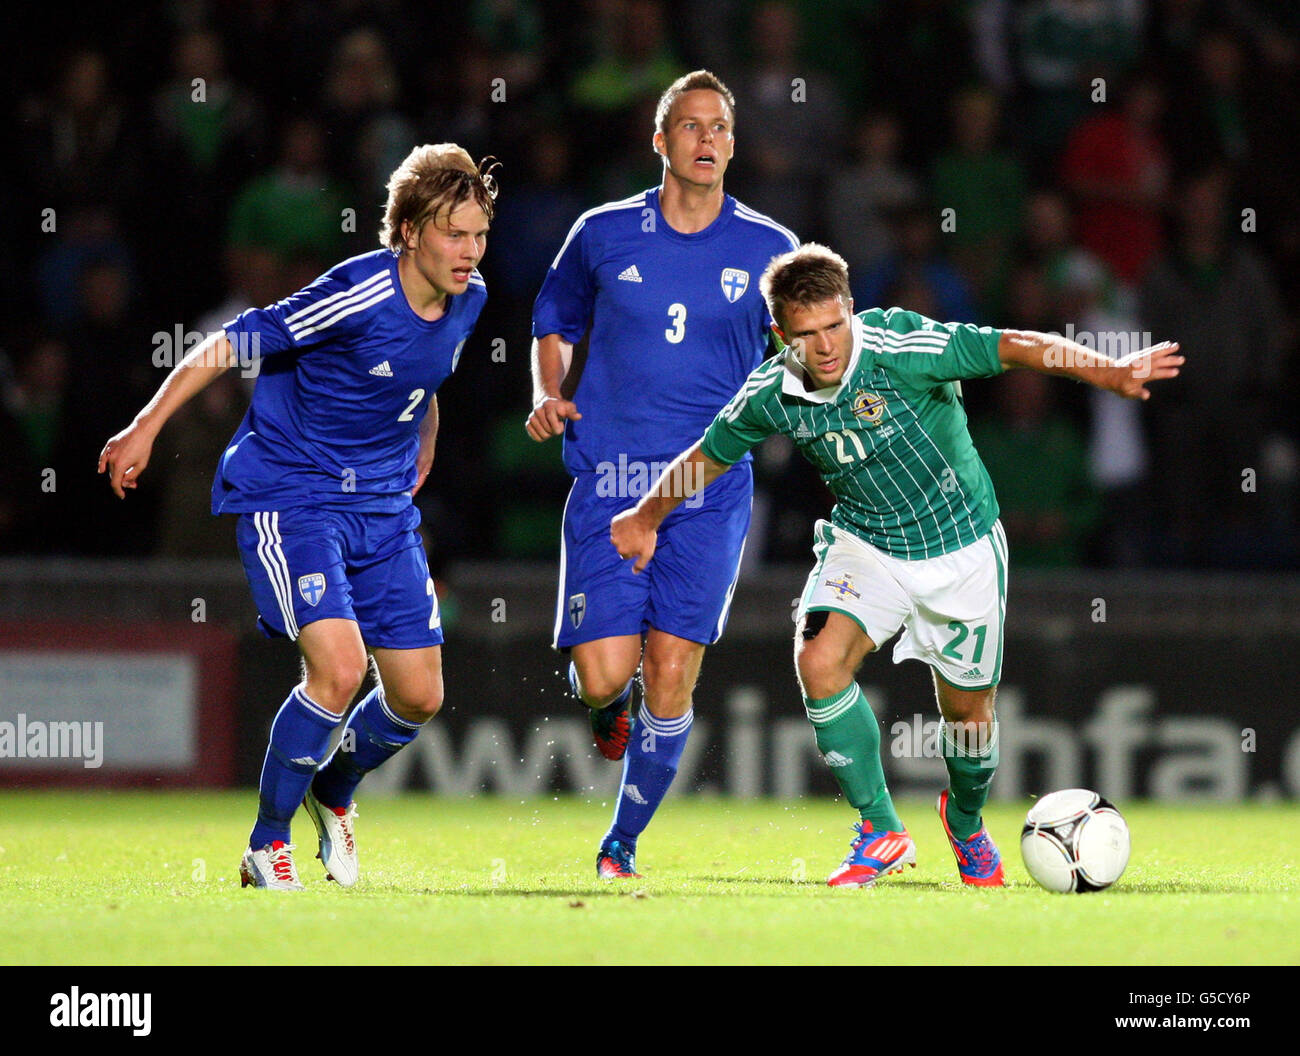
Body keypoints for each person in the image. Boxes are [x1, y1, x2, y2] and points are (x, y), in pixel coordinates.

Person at [611, 243, 1182, 887]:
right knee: (818, 661)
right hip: (867, 545)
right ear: (780, 335)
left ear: (850, 310)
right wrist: (646, 516)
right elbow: (709, 454)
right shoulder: (771, 394)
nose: (826, 346)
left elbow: (1014, 344)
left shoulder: (905, 348)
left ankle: (965, 822)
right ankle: (881, 828)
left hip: (962, 548)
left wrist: (1106, 371)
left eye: (835, 325)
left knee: (968, 718)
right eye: (807, 335)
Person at [98, 144, 496, 890]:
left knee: (419, 695)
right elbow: (231, 340)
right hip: (295, 496)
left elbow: (423, 371)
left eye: (478, 235)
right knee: (340, 670)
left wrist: (428, 434)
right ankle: (265, 842)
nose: (470, 251)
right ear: (408, 231)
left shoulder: (469, 298)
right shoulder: (354, 293)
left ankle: (333, 789)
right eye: (454, 233)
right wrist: (145, 427)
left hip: (382, 507)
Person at [526, 70, 797, 879]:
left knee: (672, 669)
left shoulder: (771, 249)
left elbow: (804, 350)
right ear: (661, 141)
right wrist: (547, 391)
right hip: (610, 480)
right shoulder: (603, 232)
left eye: (721, 127)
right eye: (691, 126)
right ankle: (609, 708)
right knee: (606, 672)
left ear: (733, 144)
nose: (708, 139)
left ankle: (622, 844)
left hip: (709, 490)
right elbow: (554, 319)